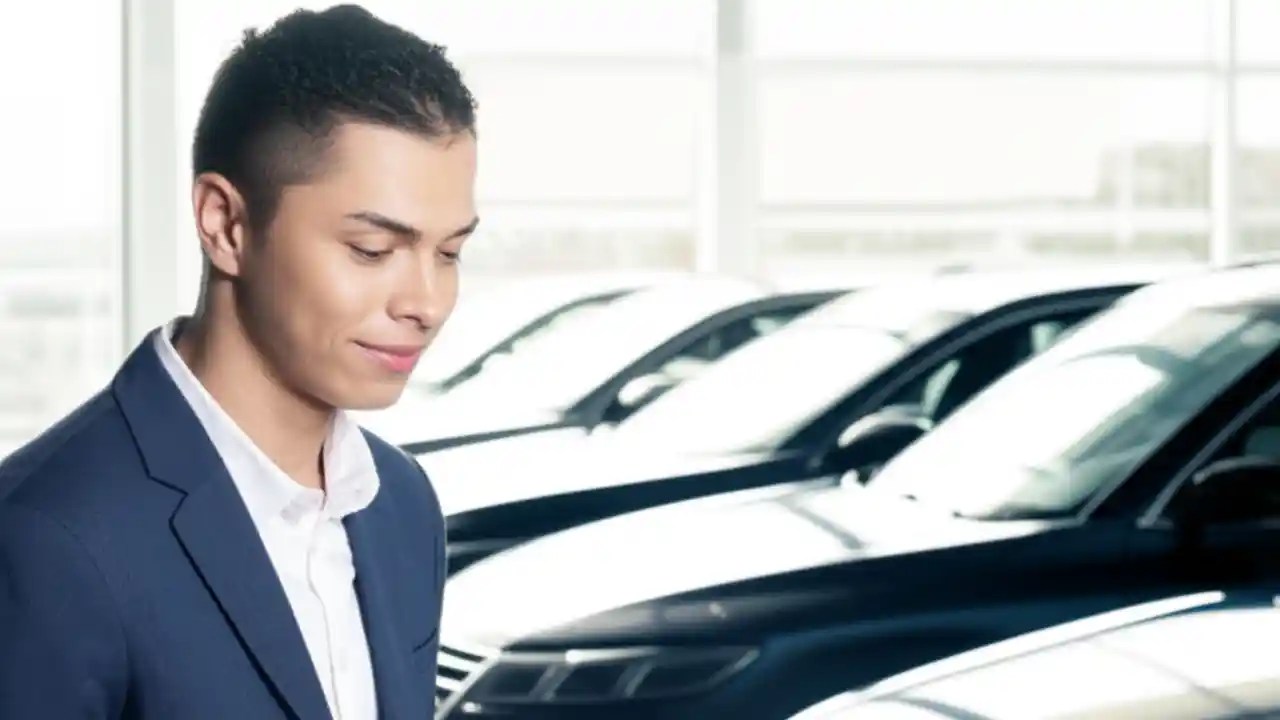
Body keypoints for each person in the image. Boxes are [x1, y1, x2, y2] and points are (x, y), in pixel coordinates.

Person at [0, 5, 477, 719]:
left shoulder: (402, 504)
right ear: (226, 224)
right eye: (372, 250)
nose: (427, 302)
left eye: (449, 252)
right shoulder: (47, 538)